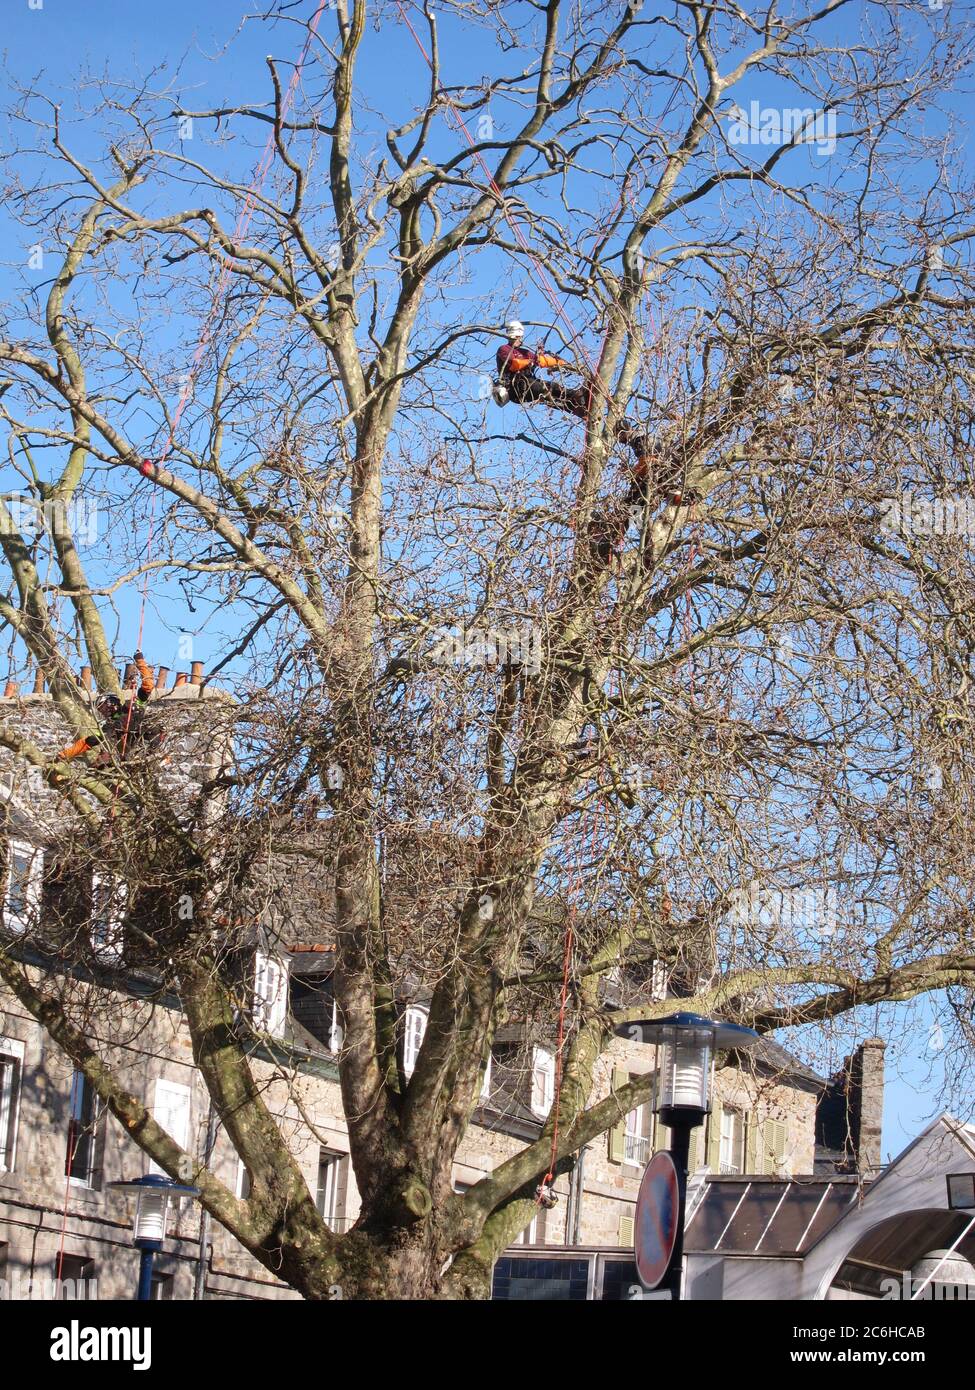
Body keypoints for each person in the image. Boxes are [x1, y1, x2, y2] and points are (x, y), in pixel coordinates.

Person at [58, 652, 158, 767]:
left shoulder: (132, 707)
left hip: (148, 743)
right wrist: (64, 754)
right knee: (102, 763)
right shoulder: (108, 727)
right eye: (101, 709)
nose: (104, 711)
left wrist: (140, 661)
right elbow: (87, 742)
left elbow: (148, 685)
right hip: (128, 756)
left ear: (112, 702)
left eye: (104, 706)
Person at [495, 320, 593, 417]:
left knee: (552, 394)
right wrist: (531, 361)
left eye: (520, 337)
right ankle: (577, 396)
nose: (519, 339)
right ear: (510, 336)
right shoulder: (504, 349)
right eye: (517, 337)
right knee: (548, 388)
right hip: (516, 387)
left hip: (529, 383)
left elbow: (542, 361)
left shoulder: (525, 352)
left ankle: (577, 407)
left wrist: (561, 363)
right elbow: (515, 364)